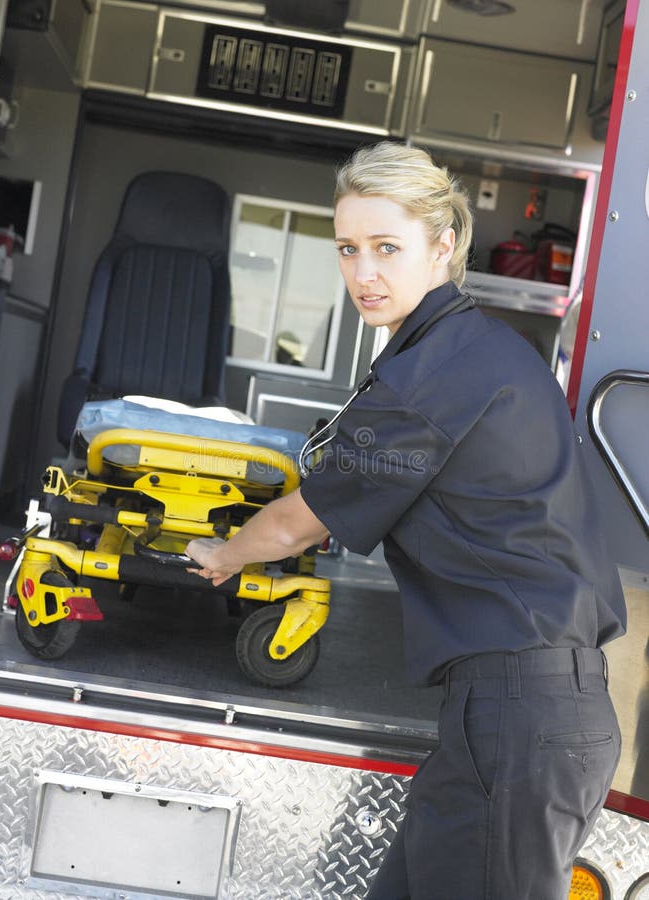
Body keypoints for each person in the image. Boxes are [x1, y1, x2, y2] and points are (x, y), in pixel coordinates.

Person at [185, 141, 626, 899]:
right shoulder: (476, 350)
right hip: (521, 714)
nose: (364, 272)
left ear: (443, 245)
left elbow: (299, 523)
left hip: (520, 718)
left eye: (387, 248)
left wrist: (224, 554)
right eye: (349, 249)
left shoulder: (434, 375)